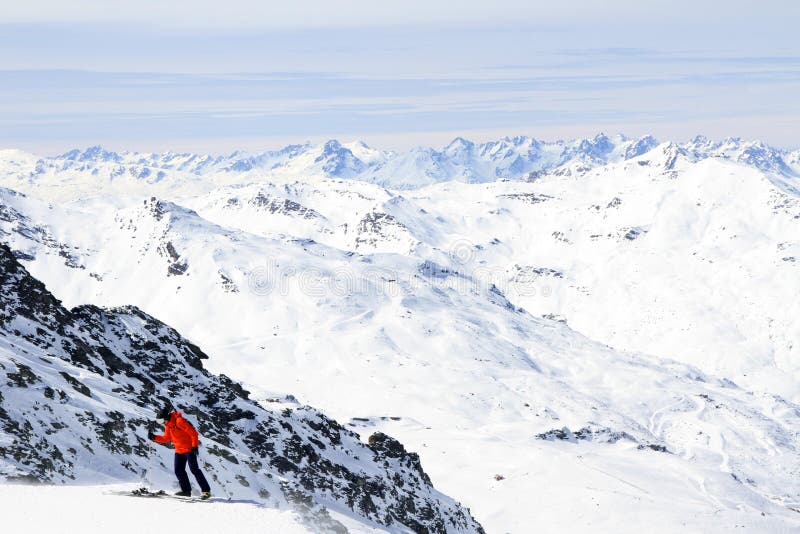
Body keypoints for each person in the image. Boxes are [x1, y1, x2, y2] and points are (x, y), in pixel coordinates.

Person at [148, 405, 212, 499]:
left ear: (166, 417)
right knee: (179, 470)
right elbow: (166, 438)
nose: (162, 423)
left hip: (189, 450)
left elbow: (193, 433)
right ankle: (186, 491)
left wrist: (194, 446)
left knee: (194, 470)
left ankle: (206, 491)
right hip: (179, 450)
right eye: (159, 421)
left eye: (161, 421)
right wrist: (154, 437)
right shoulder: (168, 425)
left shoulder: (179, 421)